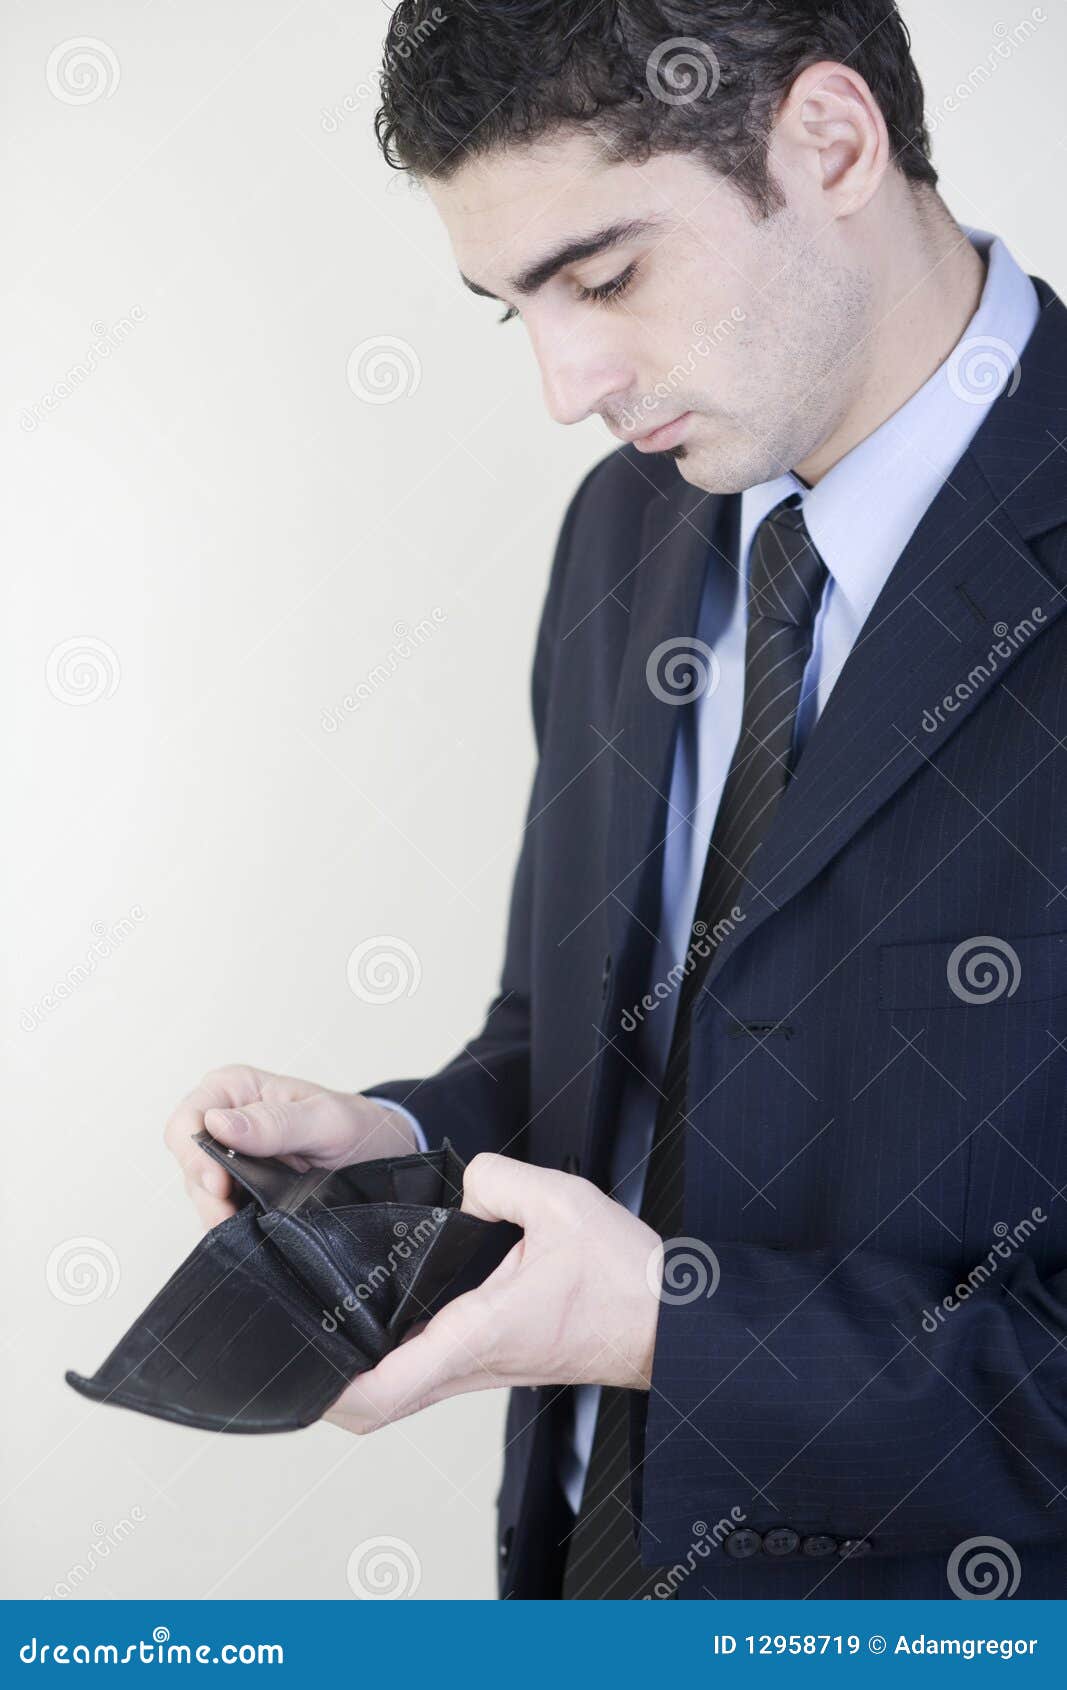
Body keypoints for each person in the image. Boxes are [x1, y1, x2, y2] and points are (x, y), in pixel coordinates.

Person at [165, 2, 1067, 1600]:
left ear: (832, 143)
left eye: (604, 276)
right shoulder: (623, 534)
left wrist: (673, 1329)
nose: (565, 383)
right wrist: (403, 1148)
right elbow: (591, 1048)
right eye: (513, 308)